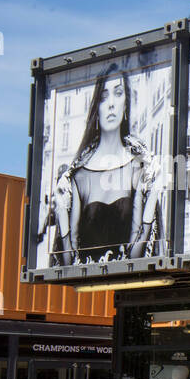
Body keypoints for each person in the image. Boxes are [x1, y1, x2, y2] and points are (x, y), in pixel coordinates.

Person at [38, 66, 164, 266]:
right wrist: (62, 211)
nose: (111, 104)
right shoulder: (78, 177)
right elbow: (70, 261)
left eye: (118, 93)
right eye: (104, 96)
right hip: (89, 292)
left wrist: (153, 196)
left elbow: (135, 257)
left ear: (126, 104)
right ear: (97, 107)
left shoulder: (140, 170)